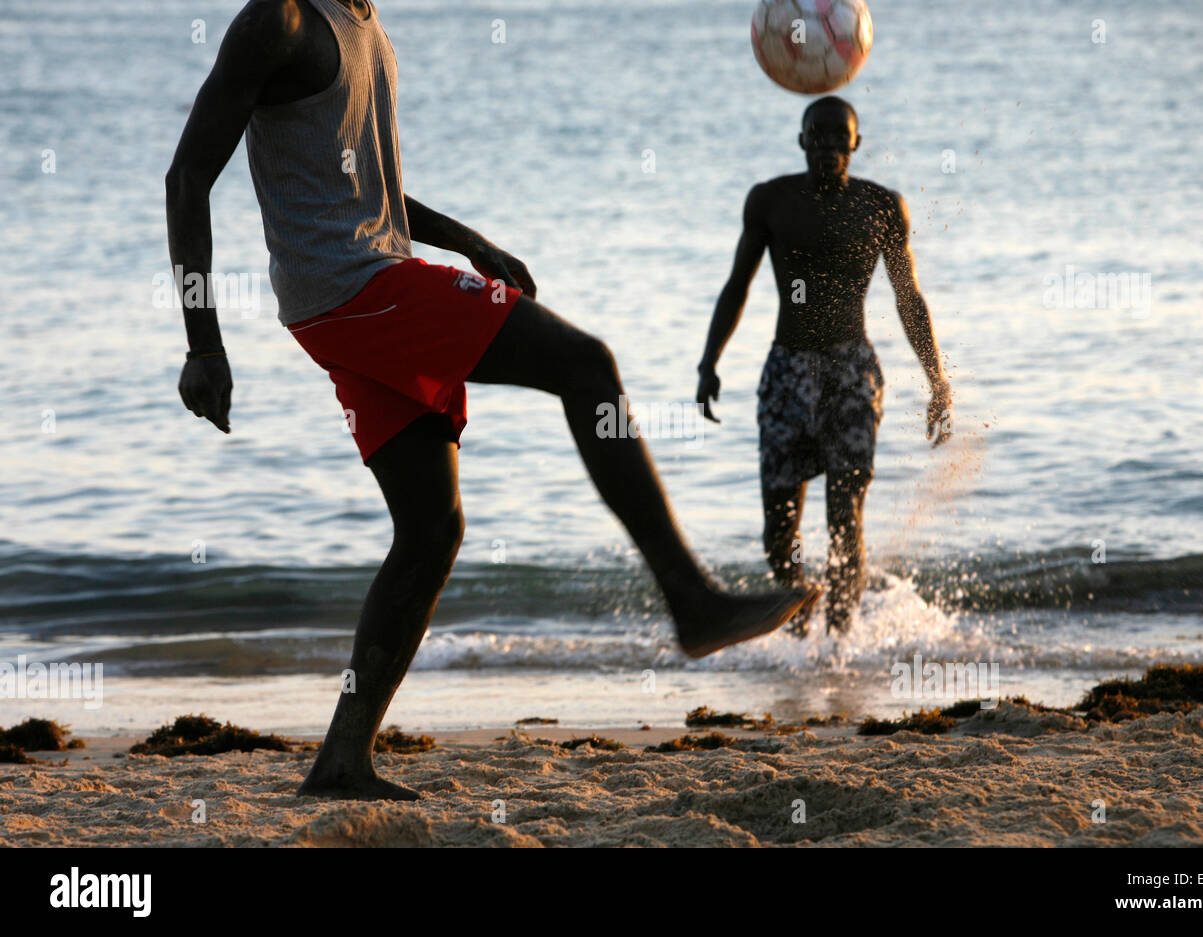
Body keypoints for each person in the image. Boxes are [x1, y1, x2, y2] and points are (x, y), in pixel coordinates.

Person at [166, 0, 817, 800]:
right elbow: (187, 176)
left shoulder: (365, 26)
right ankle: (692, 600)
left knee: (432, 528)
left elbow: (366, 191)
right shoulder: (281, 20)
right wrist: (202, 342)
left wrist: (469, 240)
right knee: (586, 365)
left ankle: (341, 761)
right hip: (357, 291)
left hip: (356, 291)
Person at [695, 96, 952, 636]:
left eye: (840, 138)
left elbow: (908, 296)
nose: (830, 148)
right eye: (819, 137)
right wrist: (709, 361)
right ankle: (799, 620)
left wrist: (938, 381)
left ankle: (838, 644)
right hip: (786, 372)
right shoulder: (771, 201)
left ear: (856, 143)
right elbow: (737, 285)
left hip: (851, 374)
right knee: (778, 531)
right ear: (801, 141)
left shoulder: (881, 206)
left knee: (845, 518)